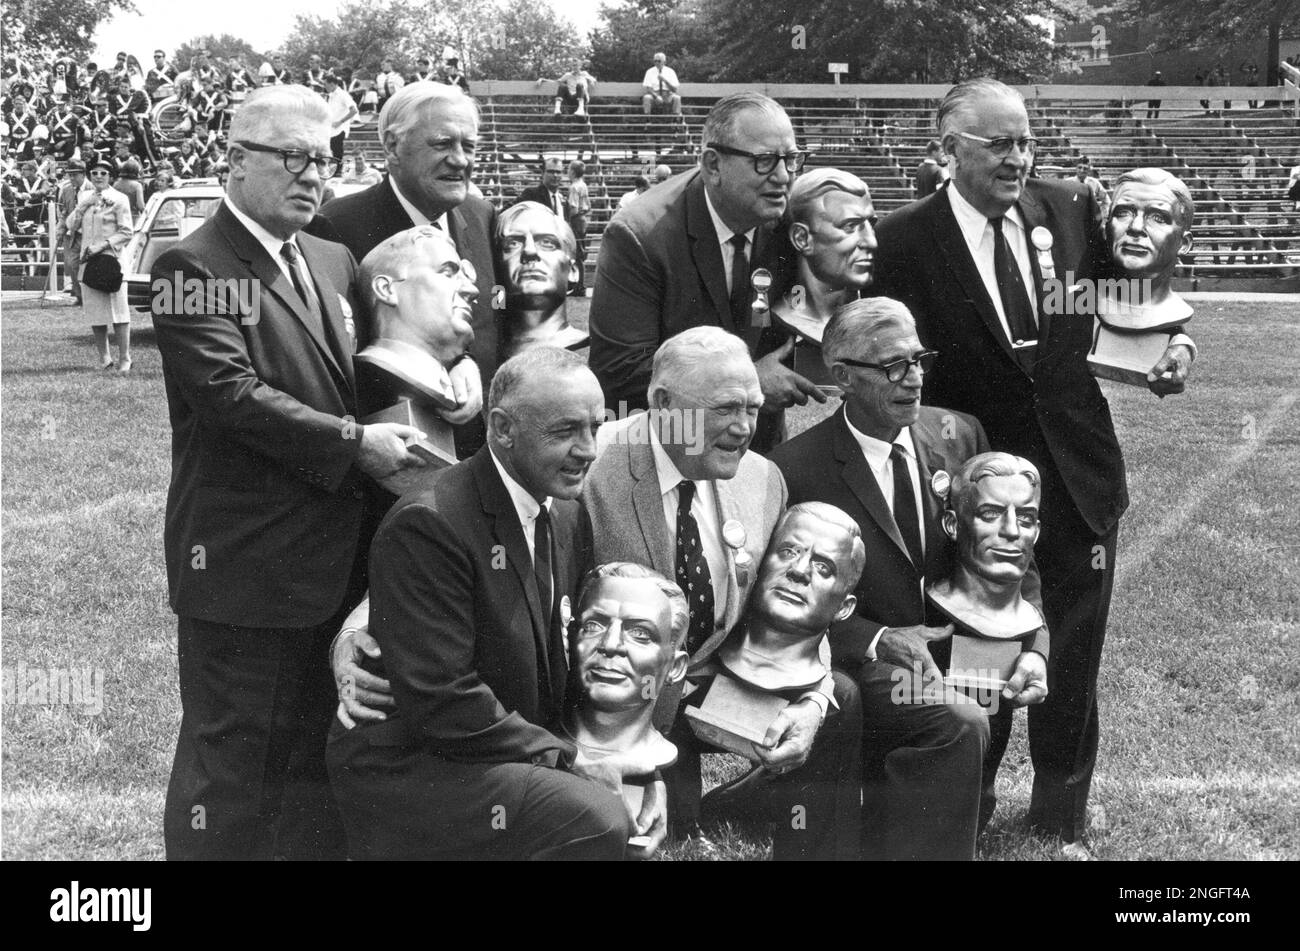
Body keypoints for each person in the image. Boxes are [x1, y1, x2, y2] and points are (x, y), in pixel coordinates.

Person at [872, 78, 1194, 855]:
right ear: (949, 151)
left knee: (1074, 648)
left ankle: (1061, 815)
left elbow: (1135, 292)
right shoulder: (902, 241)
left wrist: (1176, 344)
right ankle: (969, 800)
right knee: (981, 637)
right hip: (974, 478)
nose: (1018, 157)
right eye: (998, 144)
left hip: (1078, 471)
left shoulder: (1070, 208)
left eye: (1026, 141)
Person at [150, 84, 426, 860]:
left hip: (335, 561)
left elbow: (369, 376)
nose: (315, 175)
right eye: (295, 157)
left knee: (316, 762)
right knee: (232, 768)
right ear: (235, 162)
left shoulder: (332, 257)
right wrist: (353, 443)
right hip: (246, 567)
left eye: (327, 159)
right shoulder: (192, 264)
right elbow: (230, 395)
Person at [325, 348, 666, 860]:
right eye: (566, 431)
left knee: (630, 795)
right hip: (412, 762)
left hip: (496, 747)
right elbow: (443, 701)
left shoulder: (566, 510)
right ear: (503, 428)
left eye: (596, 427)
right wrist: (573, 761)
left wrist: (632, 765)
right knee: (592, 816)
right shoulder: (430, 524)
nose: (589, 449)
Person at [770, 298, 1047, 860]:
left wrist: (1036, 650)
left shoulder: (959, 435)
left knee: (979, 705)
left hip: (955, 648)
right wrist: (875, 639)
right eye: (893, 366)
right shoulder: (795, 469)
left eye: (919, 359)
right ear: (842, 378)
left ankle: (935, 821)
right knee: (960, 721)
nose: (914, 378)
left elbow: (1013, 556)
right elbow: (778, 604)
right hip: (858, 660)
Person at [582, 329, 859, 859]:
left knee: (837, 697)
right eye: (727, 409)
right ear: (663, 404)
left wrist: (813, 699)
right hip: (627, 701)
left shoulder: (761, 478)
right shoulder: (592, 467)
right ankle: (710, 801)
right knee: (668, 836)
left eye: (753, 408)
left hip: (715, 677)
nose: (745, 429)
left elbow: (791, 616)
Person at [589, 91, 824, 452]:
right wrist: (748, 383)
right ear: (713, 165)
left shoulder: (789, 220)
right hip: (668, 450)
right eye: (764, 161)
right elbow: (620, 372)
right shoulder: (640, 236)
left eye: (792, 159)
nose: (783, 176)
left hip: (759, 449)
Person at [310, 81, 494, 452]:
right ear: (393, 146)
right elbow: (329, 366)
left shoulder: (483, 217)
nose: (460, 159)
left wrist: (469, 364)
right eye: (442, 144)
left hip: (477, 462)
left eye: (469, 146)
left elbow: (495, 331)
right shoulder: (336, 227)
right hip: (385, 471)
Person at [771, 167, 877, 370]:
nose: (871, 242)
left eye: (871, 223)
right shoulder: (773, 322)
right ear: (802, 239)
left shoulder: (878, 318)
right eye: (850, 226)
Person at [496, 201, 587, 359]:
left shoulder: (597, 354)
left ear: (573, 271)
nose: (529, 251)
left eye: (547, 243)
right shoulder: (484, 353)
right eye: (513, 243)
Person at [68, 158, 133, 371]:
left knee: (118, 309)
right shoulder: (85, 197)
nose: (98, 176)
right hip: (88, 260)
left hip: (110, 259)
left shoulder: (119, 199)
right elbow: (71, 225)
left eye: (103, 173)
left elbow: (126, 231)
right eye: (94, 172)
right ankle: (104, 357)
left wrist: (104, 245)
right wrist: (82, 205)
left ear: (110, 176)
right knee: (95, 310)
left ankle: (125, 357)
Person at [54, 158, 88, 301]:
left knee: (86, 265)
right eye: (70, 174)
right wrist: (60, 228)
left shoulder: (93, 189)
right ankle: (79, 295)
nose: (72, 178)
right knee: (72, 264)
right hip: (71, 234)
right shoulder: (66, 190)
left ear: (83, 174)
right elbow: (63, 211)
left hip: (87, 233)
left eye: (75, 174)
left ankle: (88, 295)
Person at [567, 159, 590, 296]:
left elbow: (574, 208)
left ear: (573, 172)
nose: (567, 172)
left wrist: (567, 220)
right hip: (583, 220)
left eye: (569, 169)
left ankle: (579, 285)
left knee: (577, 253)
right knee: (579, 253)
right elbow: (587, 206)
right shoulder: (584, 185)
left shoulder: (574, 187)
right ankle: (578, 283)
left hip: (576, 220)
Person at [323, 73, 358, 163]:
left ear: (332, 84)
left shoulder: (343, 95)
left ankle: (338, 170)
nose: (324, 87)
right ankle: (335, 169)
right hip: (331, 128)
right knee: (332, 150)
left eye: (325, 84)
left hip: (340, 128)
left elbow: (354, 110)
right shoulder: (331, 95)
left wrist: (340, 122)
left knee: (337, 150)